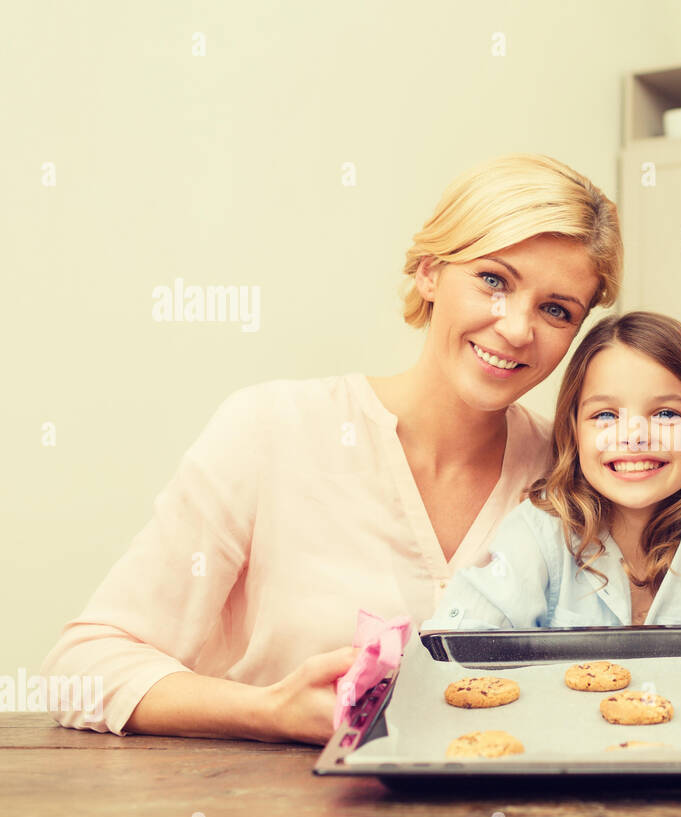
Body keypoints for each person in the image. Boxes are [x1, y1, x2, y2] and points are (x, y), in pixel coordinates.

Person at [42, 153, 623, 745]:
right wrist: (269, 711)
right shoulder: (271, 430)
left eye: (556, 310)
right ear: (429, 272)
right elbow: (80, 669)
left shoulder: (574, 472)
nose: (517, 328)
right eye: (494, 280)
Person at [422, 311, 681, 632]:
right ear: (575, 435)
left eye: (667, 413)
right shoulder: (541, 529)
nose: (634, 436)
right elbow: (462, 633)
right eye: (605, 414)